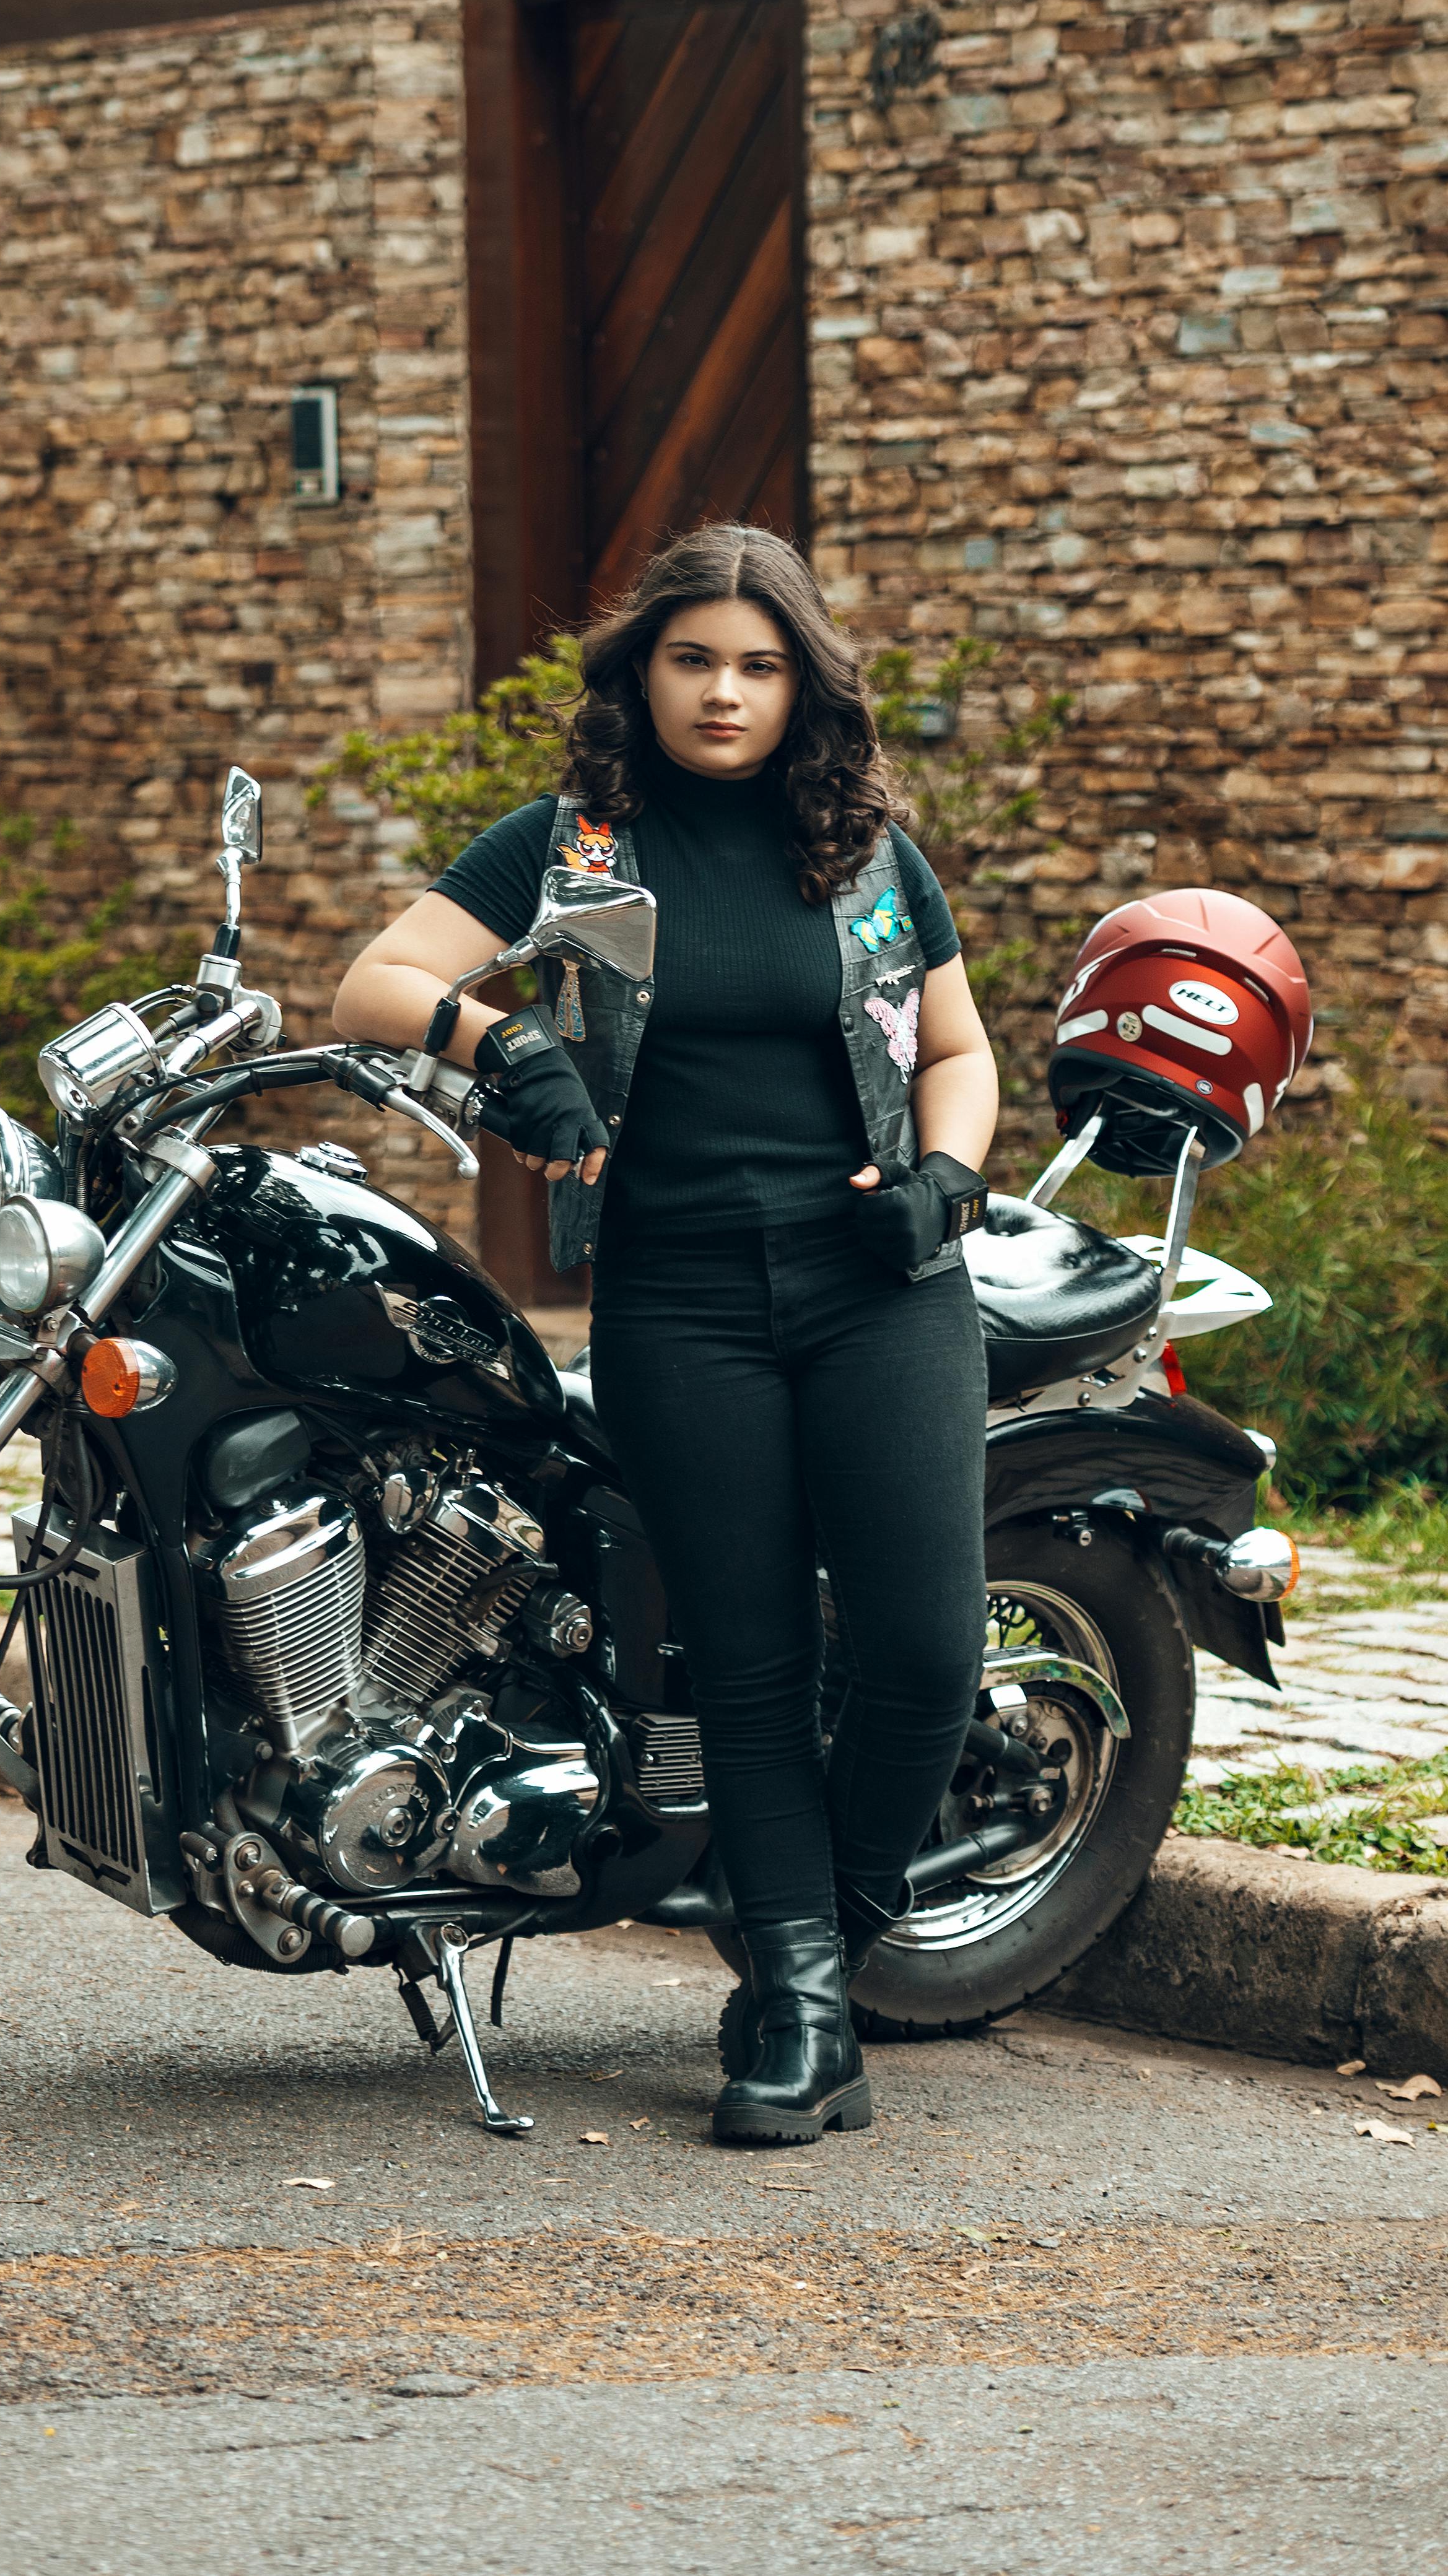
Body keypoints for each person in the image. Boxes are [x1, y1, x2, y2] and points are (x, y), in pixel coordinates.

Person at [333, 524, 997, 2146]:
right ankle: (798, 2006)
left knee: (924, 1652)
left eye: (759, 664)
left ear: (803, 684)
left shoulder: (861, 852)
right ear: (645, 671)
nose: (725, 690)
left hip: (877, 1289)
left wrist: (944, 1182)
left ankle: (805, 1963)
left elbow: (962, 1055)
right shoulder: (573, 844)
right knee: (751, 1664)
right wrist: (501, 1048)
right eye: (695, 658)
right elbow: (376, 978)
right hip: (678, 1295)